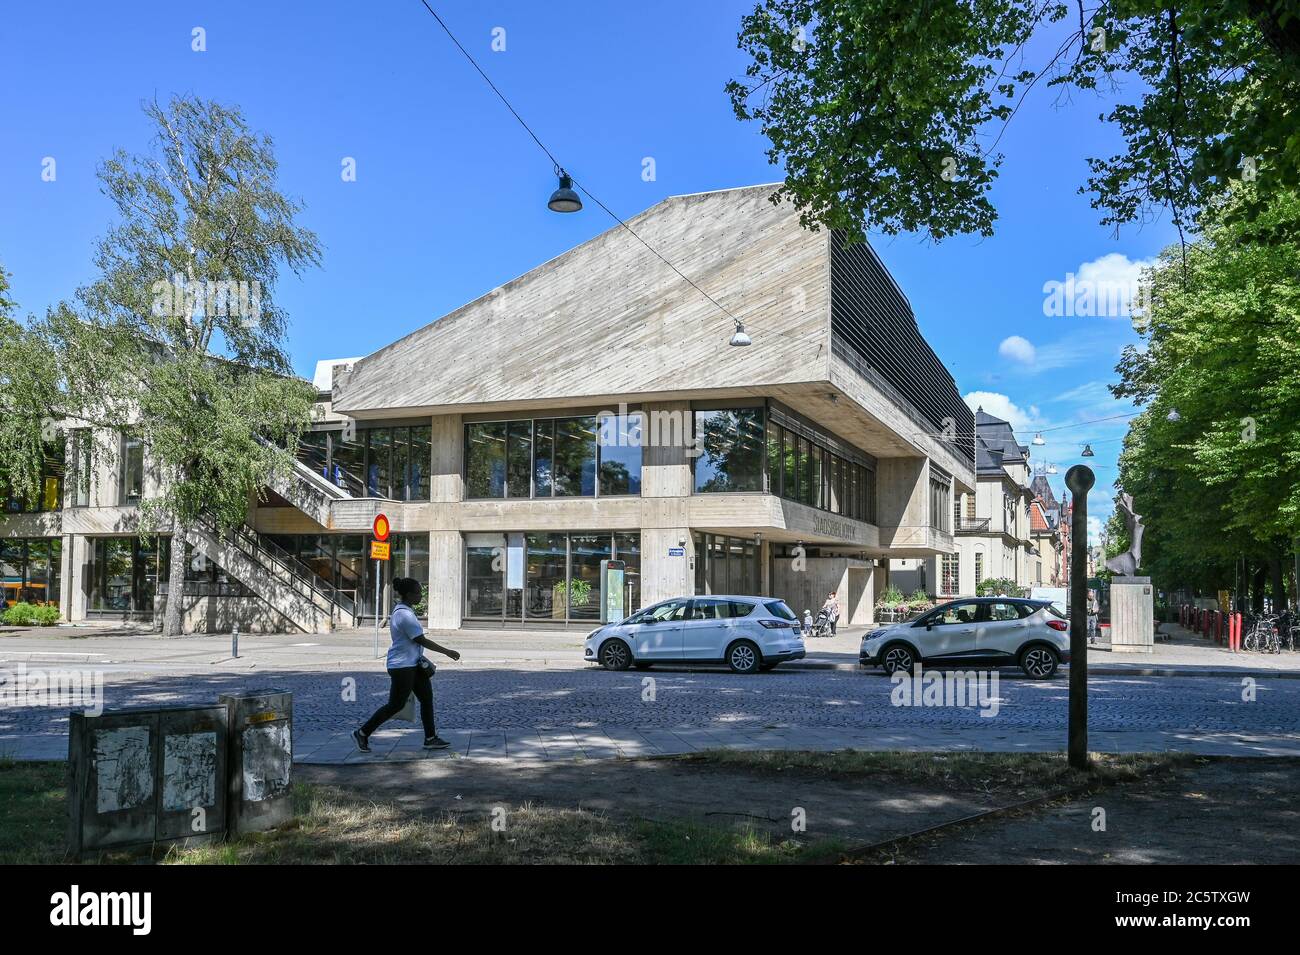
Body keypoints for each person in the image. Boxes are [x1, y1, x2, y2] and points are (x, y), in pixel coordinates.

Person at [353, 577, 460, 752]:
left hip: (413, 665)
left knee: (426, 699)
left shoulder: (406, 610)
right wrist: (448, 652)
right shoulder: (403, 614)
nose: (420, 596)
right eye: (418, 593)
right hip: (402, 666)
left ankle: (430, 738)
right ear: (409, 595)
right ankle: (362, 733)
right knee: (396, 705)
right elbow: (420, 639)